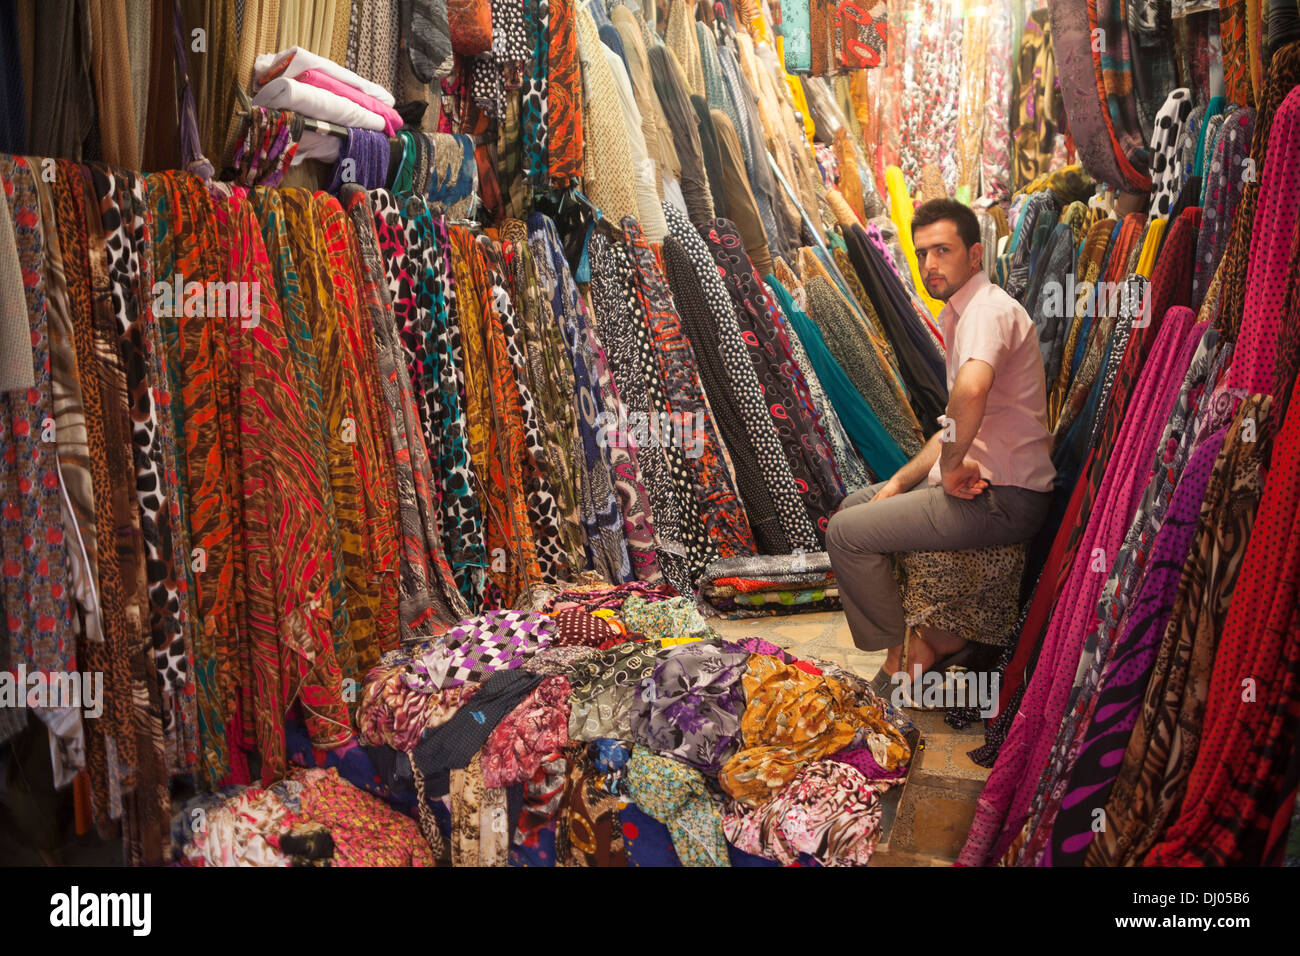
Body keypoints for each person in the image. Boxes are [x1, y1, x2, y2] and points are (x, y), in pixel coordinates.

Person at [826, 198, 1056, 694]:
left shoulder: (987, 311)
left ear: (975, 255)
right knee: (854, 504)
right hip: (989, 486)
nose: (929, 264)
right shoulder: (963, 311)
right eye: (922, 252)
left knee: (846, 533)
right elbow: (952, 422)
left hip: (1005, 498)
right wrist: (901, 481)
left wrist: (950, 469)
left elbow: (969, 391)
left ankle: (902, 659)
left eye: (943, 250)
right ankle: (926, 639)